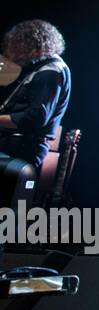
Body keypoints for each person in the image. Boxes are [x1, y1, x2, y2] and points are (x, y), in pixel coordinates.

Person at [0, 20, 72, 204]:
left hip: (21, 147)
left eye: (17, 46)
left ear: (32, 44)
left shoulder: (51, 71)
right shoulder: (44, 69)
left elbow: (34, 118)